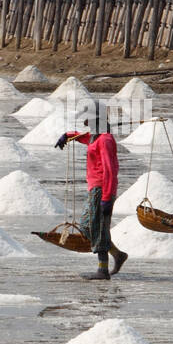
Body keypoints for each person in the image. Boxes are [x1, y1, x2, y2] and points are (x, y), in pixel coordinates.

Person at [55, 106, 128, 280]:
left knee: (96, 226)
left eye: (88, 120)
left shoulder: (105, 140)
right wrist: (68, 135)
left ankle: (103, 270)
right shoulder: (96, 137)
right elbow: (86, 138)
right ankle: (117, 255)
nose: (85, 123)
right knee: (91, 226)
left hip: (102, 189)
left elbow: (110, 169)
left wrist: (106, 198)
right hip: (94, 188)